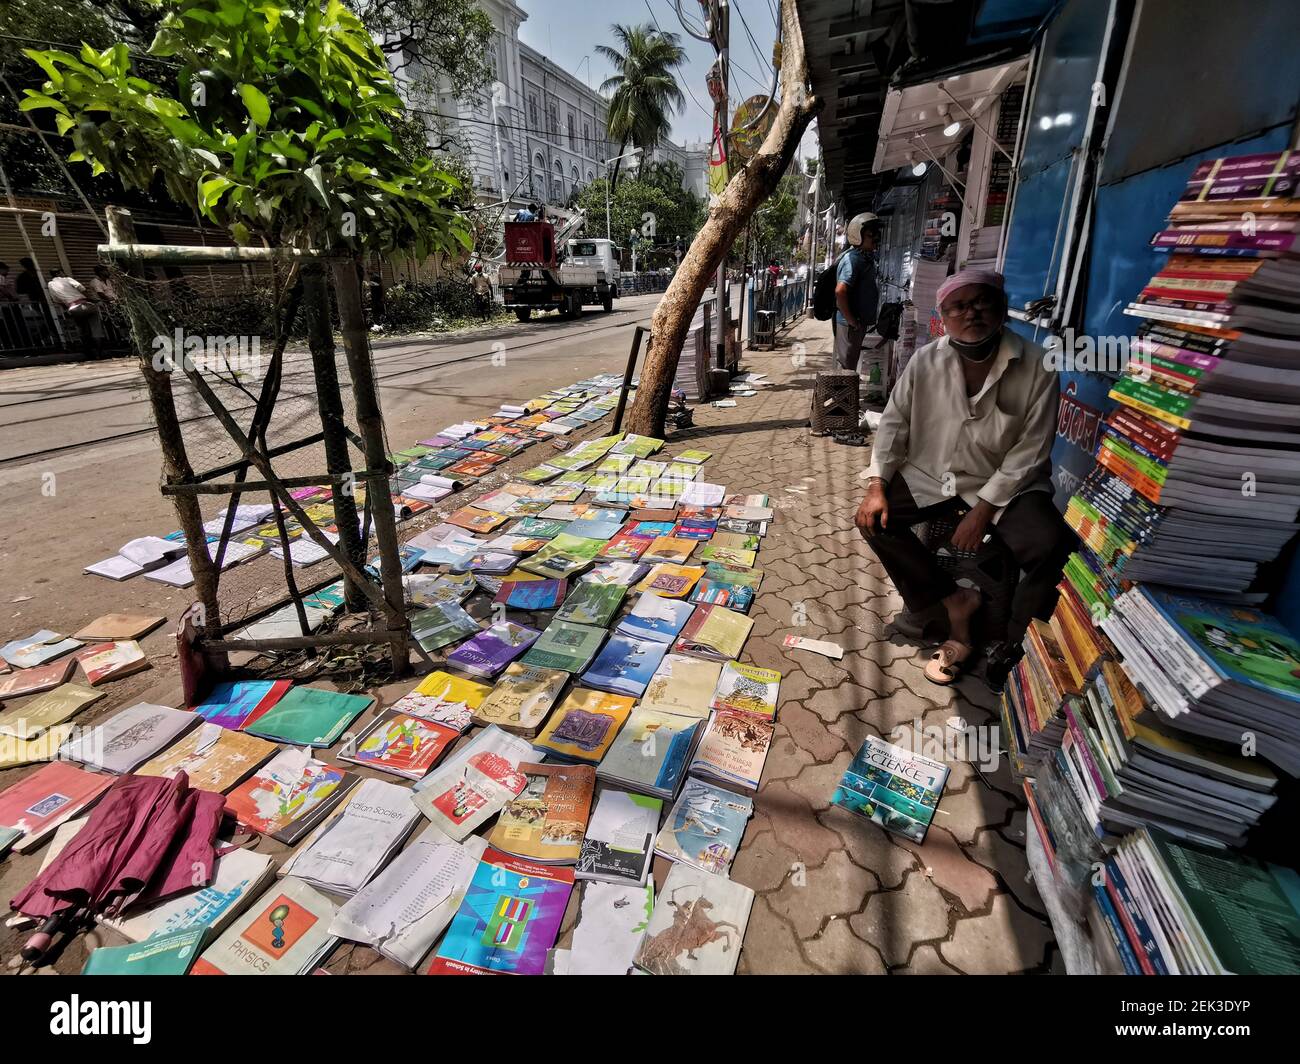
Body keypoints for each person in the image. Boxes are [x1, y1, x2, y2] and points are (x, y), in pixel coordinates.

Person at [853, 268, 1074, 688]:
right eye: (958, 306)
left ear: (1002, 308)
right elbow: (894, 424)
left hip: (1007, 486)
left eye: (981, 302)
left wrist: (984, 510)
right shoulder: (925, 361)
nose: (971, 313)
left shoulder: (1037, 365)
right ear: (943, 316)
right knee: (874, 520)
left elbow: (1031, 449)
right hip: (932, 475)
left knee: (1052, 546)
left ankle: (1014, 646)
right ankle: (951, 599)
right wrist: (877, 485)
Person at [834, 212, 881, 372]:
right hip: (849, 325)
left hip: (856, 324)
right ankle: (841, 390)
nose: (875, 238)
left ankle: (846, 389)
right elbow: (840, 292)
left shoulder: (865, 258)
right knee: (845, 369)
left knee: (850, 367)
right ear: (858, 236)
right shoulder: (853, 260)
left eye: (876, 234)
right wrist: (852, 321)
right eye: (870, 235)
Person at [46, 268, 99, 354]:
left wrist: (66, 307)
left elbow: (56, 300)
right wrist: (90, 299)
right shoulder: (67, 279)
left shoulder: (50, 284)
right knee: (95, 326)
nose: (64, 274)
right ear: (58, 273)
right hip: (85, 304)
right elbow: (82, 288)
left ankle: (88, 350)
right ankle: (98, 347)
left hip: (73, 308)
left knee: (81, 328)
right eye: (62, 272)